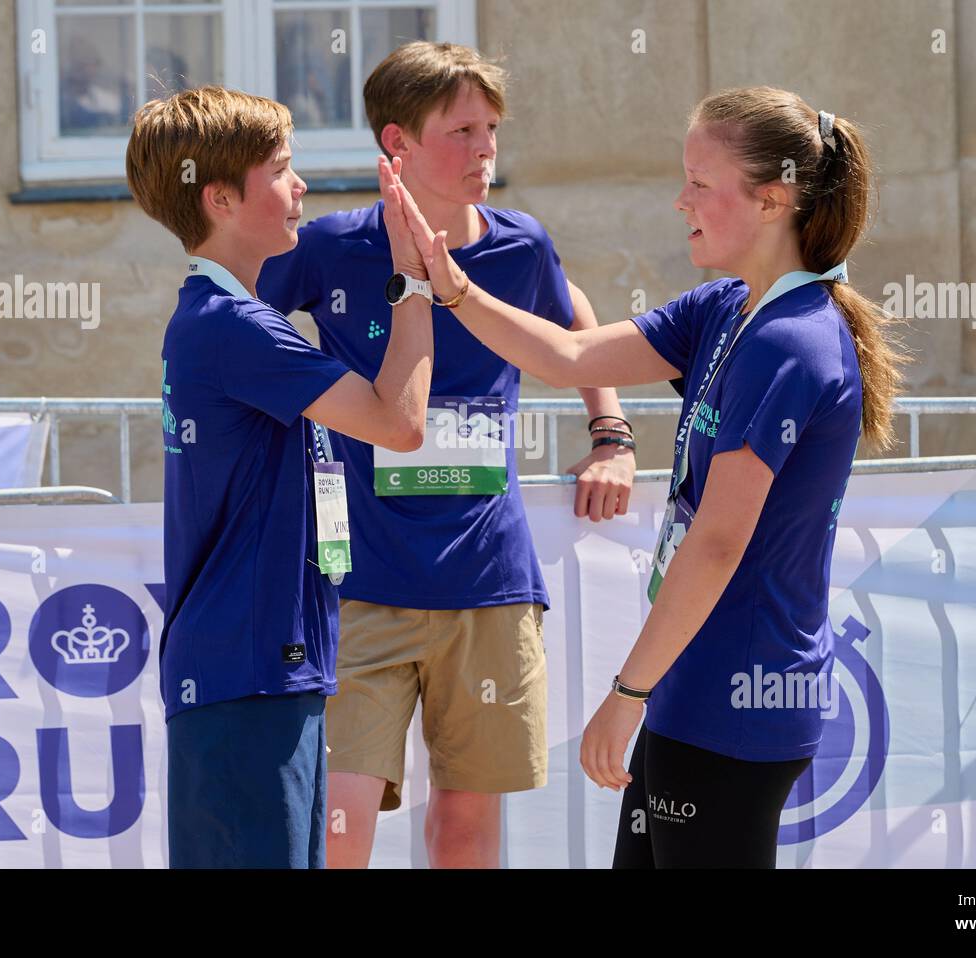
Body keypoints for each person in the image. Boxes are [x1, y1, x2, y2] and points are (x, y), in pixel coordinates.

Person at [384, 85, 906, 867]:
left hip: (738, 698)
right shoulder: (728, 307)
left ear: (771, 201)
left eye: (700, 183)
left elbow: (721, 542)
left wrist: (625, 696)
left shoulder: (792, 342)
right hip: (691, 687)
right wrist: (448, 282)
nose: (679, 200)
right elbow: (569, 357)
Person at [257, 42, 636, 869]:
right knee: (340, 826)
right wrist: (319, 407)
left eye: (491, 127)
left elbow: (575, 318)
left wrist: (611, 435)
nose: (485, 148)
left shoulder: (519, 244)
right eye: (461, 130)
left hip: (486, 584)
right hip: (357, 584)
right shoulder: (328, 247)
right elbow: (246, 338)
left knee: (466, 834)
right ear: (398, 143)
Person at [125, 85, 435, 867]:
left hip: (257, 669)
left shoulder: (226, 319)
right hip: (251, 673)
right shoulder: (234, 328)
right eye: (283, 169)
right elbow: (400, 422)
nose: (302, 187)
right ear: (223, 198)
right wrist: (416, 277)